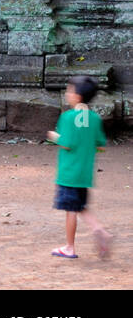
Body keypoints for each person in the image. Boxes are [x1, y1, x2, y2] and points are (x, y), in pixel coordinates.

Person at [48, 75, 113, 259]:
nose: (67, 94)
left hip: (68, 173)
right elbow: (100, 144)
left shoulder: (68, 117)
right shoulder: (94, 118)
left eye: (69, 90)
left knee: (72, 210)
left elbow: (67, 143)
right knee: (80, 206)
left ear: (78, 96)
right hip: (84, 173)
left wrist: (54, 136)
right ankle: (99, 230)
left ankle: (70, 246)